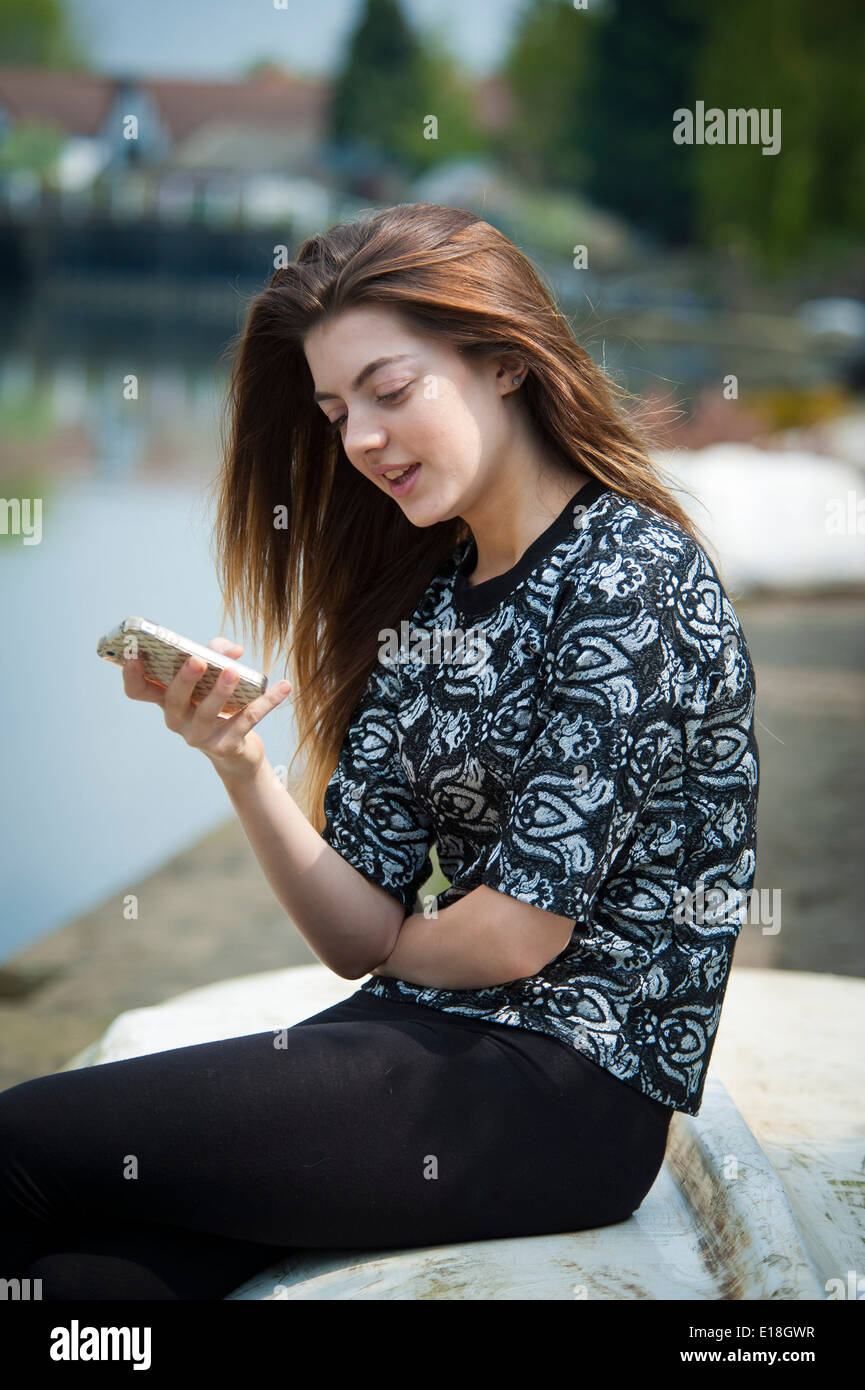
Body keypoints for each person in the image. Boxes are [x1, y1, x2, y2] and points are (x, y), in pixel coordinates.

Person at [0, 203, 759, 1300]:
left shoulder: (630, 579)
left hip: (556, 1095)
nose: (356, 438)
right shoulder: (431, 601)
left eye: (389, 392)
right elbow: (355, 933)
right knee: (81, 1280)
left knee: (19, 1143)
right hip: (421, 1041)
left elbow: (511, 938)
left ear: (505, 361)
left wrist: (404, 943)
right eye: (334, 408)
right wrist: (237, 764)